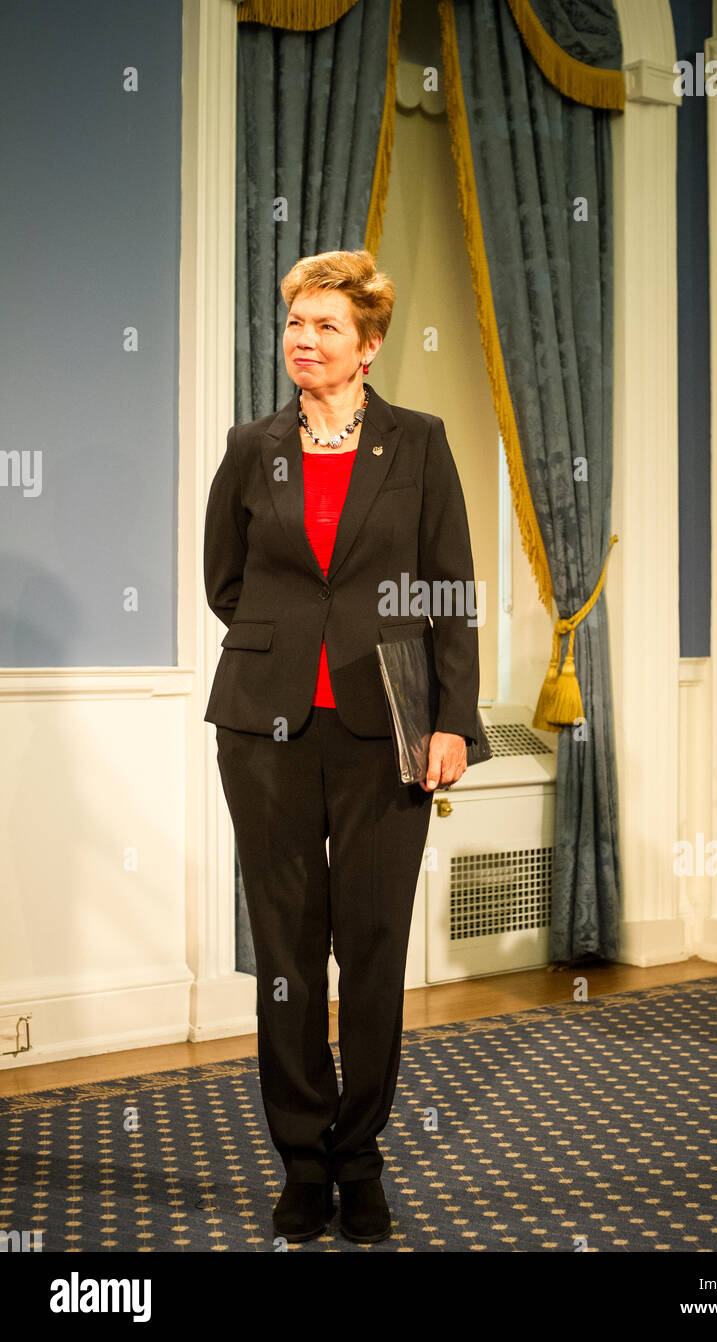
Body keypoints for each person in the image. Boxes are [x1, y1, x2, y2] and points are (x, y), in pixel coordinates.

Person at [203, 248, 480, 1244]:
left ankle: (359, 1161)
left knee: (369, 950)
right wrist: (289, 647)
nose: (301, 341)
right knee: (285, 954)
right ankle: (301, 1161)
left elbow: (449, 590)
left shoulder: (418, 443)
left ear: (367, 346)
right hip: (263, 731)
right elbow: (224, 583)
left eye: (323, 326)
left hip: (386, 733)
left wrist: (452, 717)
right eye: (293, 325)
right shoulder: (250, 445)